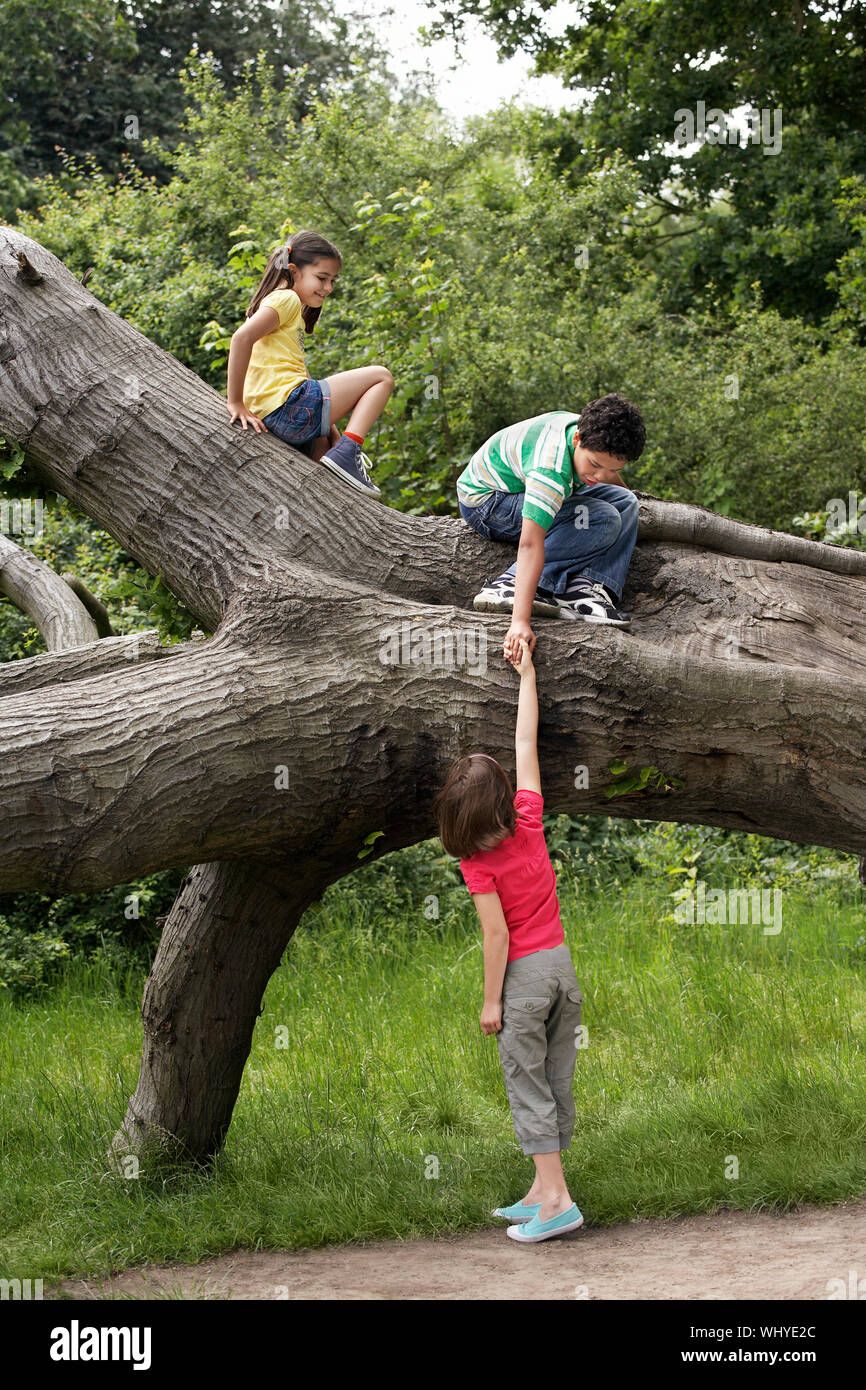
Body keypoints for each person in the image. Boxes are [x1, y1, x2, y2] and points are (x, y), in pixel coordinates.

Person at [433, 635, 585, 1244]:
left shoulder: (475, 862)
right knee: (554, 1077)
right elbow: (525, 740)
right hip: (562, 970)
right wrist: (526, 676)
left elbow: (496, 935)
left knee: (526, 1084)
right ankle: (538, 1187)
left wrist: (492, 1001)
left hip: (522, 979)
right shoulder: (527, 817)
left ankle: (557, 1200)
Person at [457, 394, 646, 652]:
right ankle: (508, 585)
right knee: (602, 518)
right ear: (578, 440)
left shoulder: (589, 431)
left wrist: (627, 490)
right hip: (488, 503)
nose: (601, 476)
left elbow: (609, 480)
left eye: (613, 470)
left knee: (625, 502)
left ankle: (584, 589)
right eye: (595, 465)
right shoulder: (551, 471)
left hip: (521, 487)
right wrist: (519, 623)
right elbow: (530, 544)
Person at [225, 229, 394, 498]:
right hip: (288, 405)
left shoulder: (284, 308)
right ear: (293, 270)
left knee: (326, 455)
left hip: (277, 415)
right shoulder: (287, 298)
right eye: (322, 278)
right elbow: (241, 339)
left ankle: (338, 469)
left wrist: (333, 431)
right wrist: (234, 402)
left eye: (332, 281)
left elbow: (300, 372)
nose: (328, 288)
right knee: (381, 377)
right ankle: (351, 451)